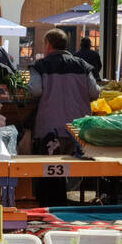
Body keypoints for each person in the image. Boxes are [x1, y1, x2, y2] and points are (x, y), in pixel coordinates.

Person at [28, 28, 97, 206]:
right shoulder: (82, 65)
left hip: (50, 129)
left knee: (50, 174)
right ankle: (71, 202)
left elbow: (35, 90)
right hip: (79, 129)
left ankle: (52, 207)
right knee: (75, 170)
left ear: (48, 45)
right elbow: (94, 92)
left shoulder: (40, 66)